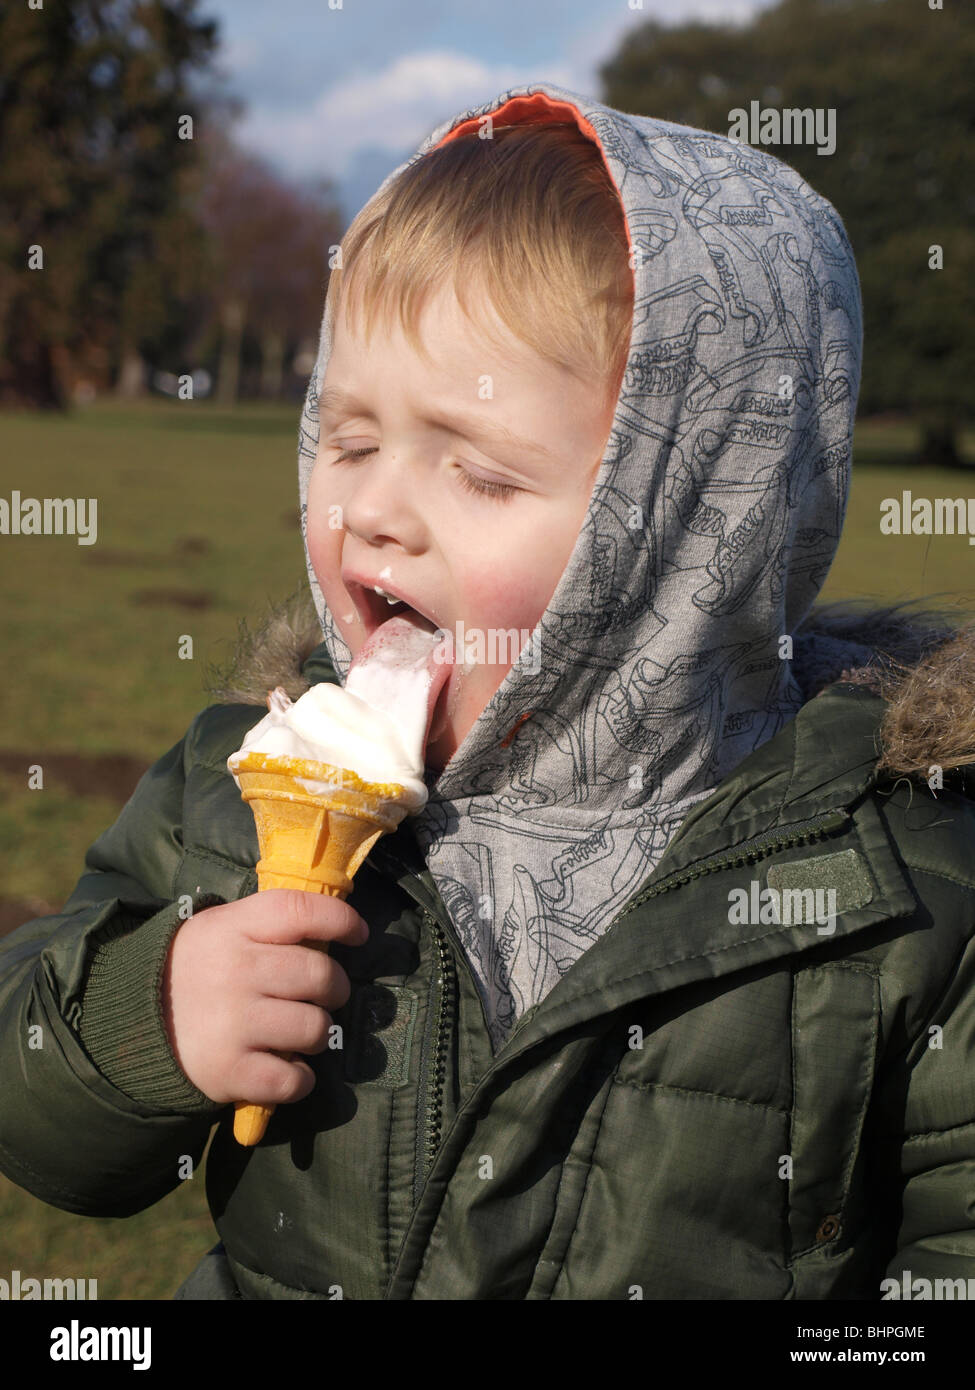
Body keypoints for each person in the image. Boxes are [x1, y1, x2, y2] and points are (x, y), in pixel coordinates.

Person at [1, 82, 974, 1301]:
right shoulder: (233, 793)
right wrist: (152, 1020)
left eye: (480, 472)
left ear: (691, 529)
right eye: (349, 442)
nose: (375, 511)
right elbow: (34, 1106)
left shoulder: (905, 887)